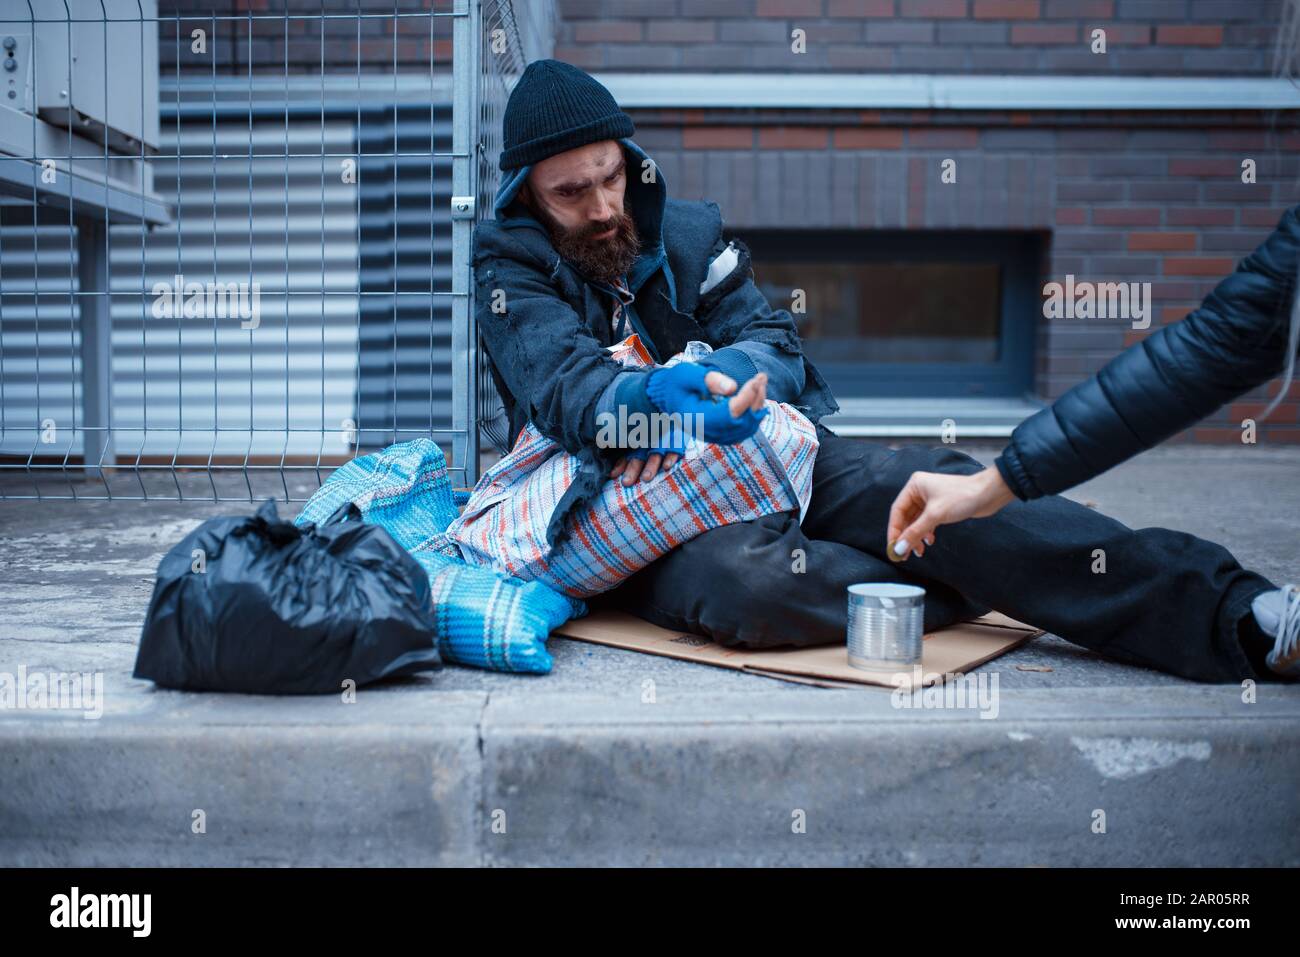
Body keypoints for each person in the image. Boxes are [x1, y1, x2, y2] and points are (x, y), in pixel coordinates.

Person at [473, 59, 1296, 683]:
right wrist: (655, 398)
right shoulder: (508, 266)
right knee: (747, 589)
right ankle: (975, 582)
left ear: (630, 156)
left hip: (763, 445)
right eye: (572, 193)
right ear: (528, 197)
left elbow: (773, 338)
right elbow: (562, 385)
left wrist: (730, 376)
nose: (605, 205)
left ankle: (1238, 615)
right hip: (624, 503)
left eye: (612, 173)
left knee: (935, 488)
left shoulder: (681, 231)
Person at [885, 206, 1300, 677]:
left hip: (809, 447)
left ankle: (1248, 619)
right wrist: (996, 484)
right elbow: (1209, 350)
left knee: (923, 493)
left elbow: (1203, 353)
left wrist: (991, 489)